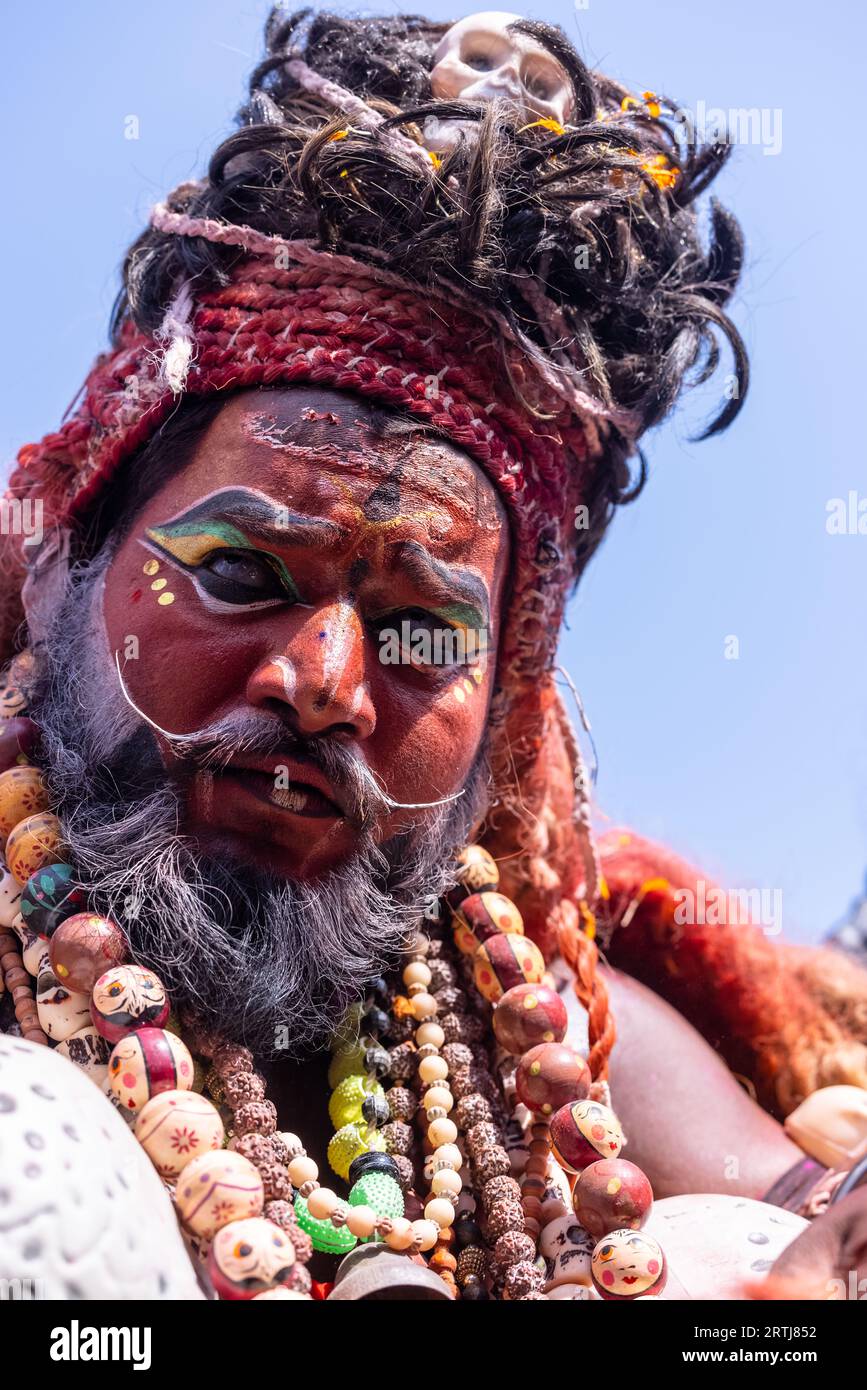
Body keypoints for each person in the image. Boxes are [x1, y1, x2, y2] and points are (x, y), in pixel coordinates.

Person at [1, 7, 865, 1302]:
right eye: (242, 573)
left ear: (505, 721)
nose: (326, 682)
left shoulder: (527, 1007)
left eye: (422, 629)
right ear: (67, 558)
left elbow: (801, 1220)